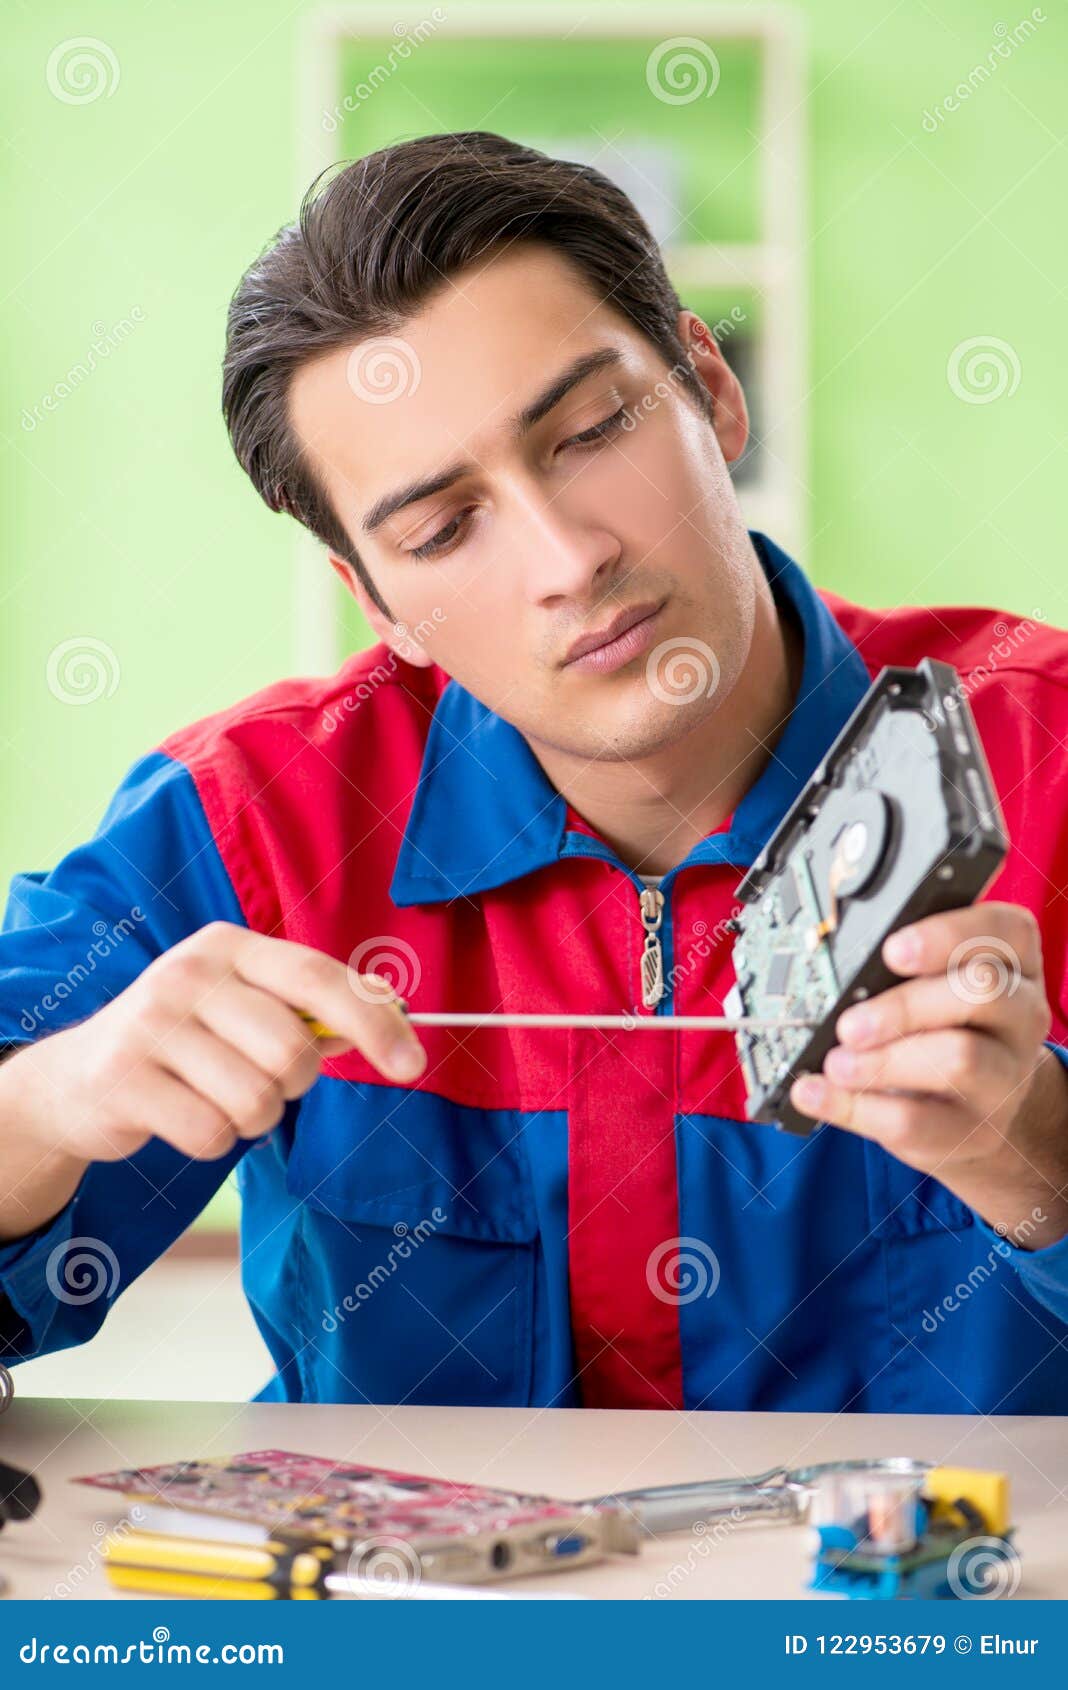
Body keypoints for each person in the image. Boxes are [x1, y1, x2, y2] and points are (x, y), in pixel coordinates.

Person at [1, 132, 1067, 1414]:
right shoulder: (256, 821)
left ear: (713, 392)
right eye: (446, 529)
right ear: (378, 600)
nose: (568, 559)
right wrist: (46, 1104)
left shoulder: (1042, 753)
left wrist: (1039, 1158)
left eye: (591, 429)